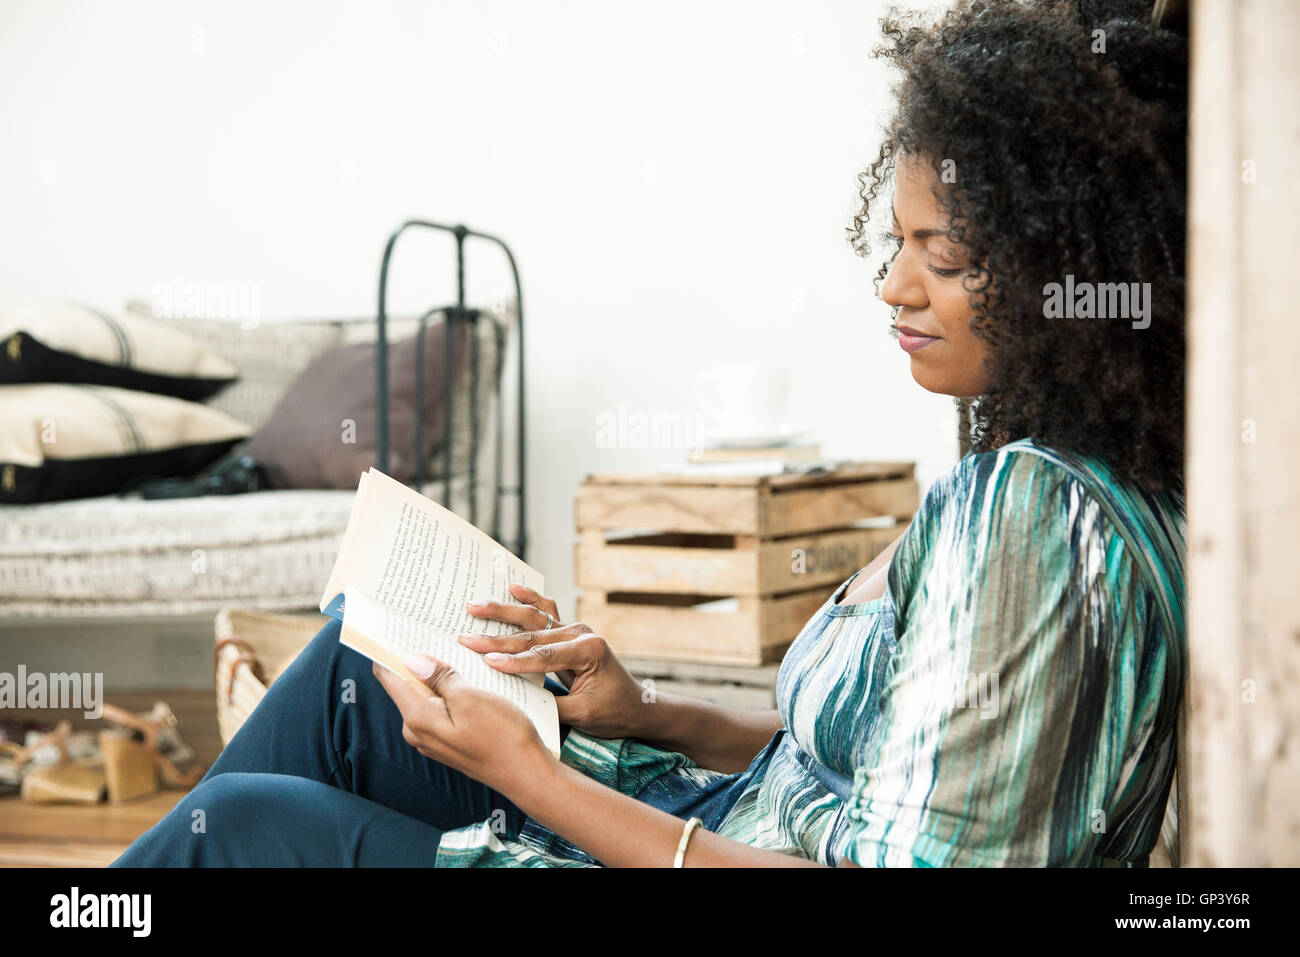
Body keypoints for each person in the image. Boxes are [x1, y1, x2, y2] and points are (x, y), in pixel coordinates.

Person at [113, 0, 1187, 868]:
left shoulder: (1035, 520)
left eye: (941, 257)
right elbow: (895, 765)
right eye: (895, 241)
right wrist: (645, 712)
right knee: (354, 679)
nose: (891, 284)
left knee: (249, 823)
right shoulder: (1063, 487)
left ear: (1065, 273)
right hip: (715, 810)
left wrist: (535, 780)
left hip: (698, 851)